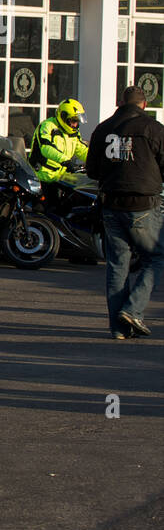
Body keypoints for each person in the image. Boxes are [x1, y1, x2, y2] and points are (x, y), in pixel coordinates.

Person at [85, 85, 164, 340]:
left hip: (110, 205)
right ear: (144, 105)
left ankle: (119, 329)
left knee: (118, 266)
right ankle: (133, 310)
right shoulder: (152, 128)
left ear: (120, 103)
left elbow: (92, 171)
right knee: (156, 257)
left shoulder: (103, 128)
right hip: (142, 205)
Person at [30, 98, 89, 184]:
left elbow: (81, 149)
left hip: (61, 177)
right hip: (42, 177)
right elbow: (46, 148)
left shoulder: (73, 132)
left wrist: (96, 160)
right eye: (73, 121)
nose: (76, 124)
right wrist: (66, 161)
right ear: (63, 117)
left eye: (77, 121)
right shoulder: (47, 126)